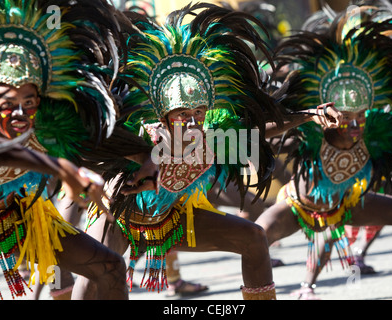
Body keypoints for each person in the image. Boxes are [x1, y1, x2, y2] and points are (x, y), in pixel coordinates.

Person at [72, 2, 341, 300]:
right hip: (120, 219)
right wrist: (129, 173)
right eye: (182, 113)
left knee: (253, 237)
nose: (192, 120)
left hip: (173, 219)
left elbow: (253, 133)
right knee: (99, 271)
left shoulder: (207, 139)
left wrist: (308, 115)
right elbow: (95, 147)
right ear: (163, 115)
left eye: (199, 112)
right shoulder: (140, 136)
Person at [255, 6, 392, 300]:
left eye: (360, 116)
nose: (353, 124)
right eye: (345, 117)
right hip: (299, 206)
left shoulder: (376, 130)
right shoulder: (310, 130)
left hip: (347, 201)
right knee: (256, 235)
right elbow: (264, 129)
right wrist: (308, 115)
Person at [0, 0, 132, 300]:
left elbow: (101, 139)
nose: (20, 112)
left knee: (110, 266)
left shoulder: (43, 120)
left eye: (29, 100)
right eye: (8, 103)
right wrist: (63, 169)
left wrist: (144, 160)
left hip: (18, 215)